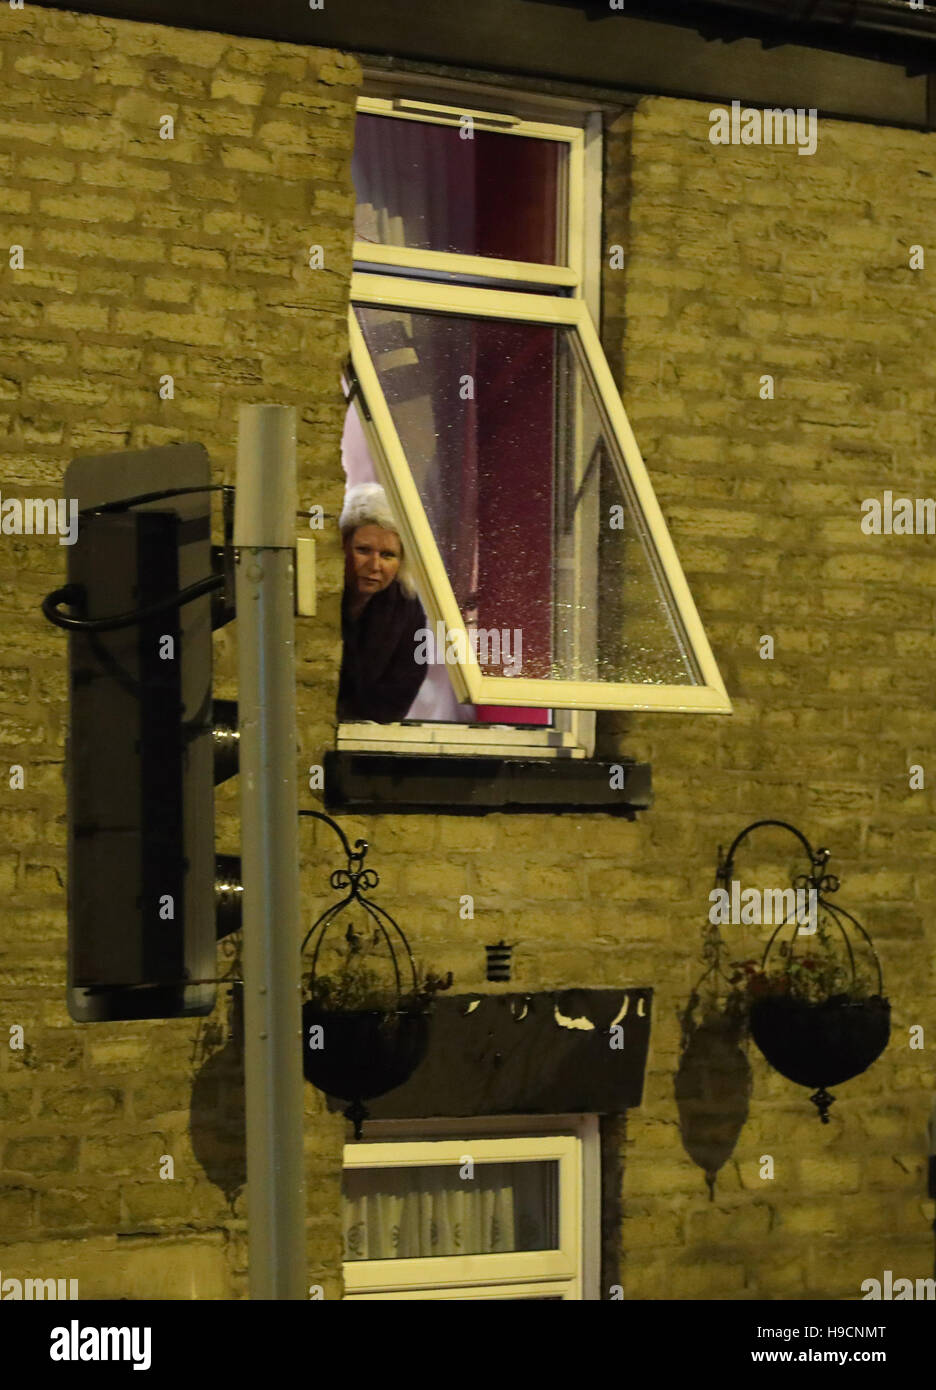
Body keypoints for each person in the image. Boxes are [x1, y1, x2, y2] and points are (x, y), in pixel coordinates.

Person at [337, 483, 428, 723]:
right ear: (343, 547)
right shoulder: (322, 597)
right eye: (363, 550)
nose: (375, 565)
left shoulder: (406, 605)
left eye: (388, 555)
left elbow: (404, 684)